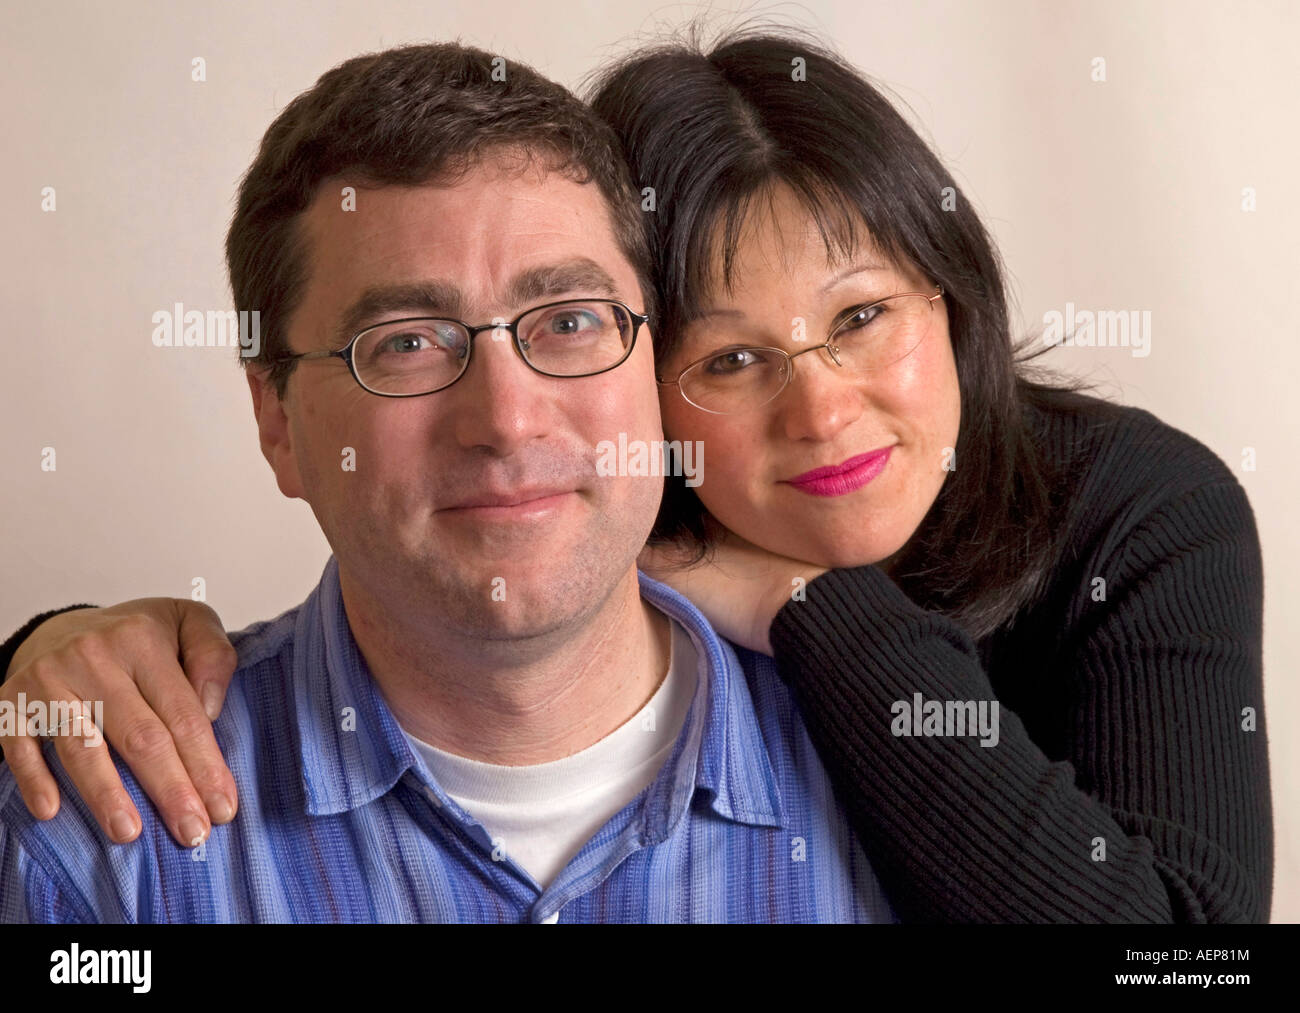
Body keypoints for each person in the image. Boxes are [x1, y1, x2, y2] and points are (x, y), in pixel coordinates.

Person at [2, 28, 1271, 923]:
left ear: (955, 302)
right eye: (729, 356)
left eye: (862, 315)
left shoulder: (1127, 516)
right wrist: (52, 645)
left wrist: (801, 606)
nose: (822, 406)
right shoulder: (107, 823)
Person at [0, 40, 897, 923]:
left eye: (570, 320)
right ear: (277, 421)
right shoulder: (86, 844)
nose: (507, 418)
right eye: (405, 343)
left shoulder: (899, 779)